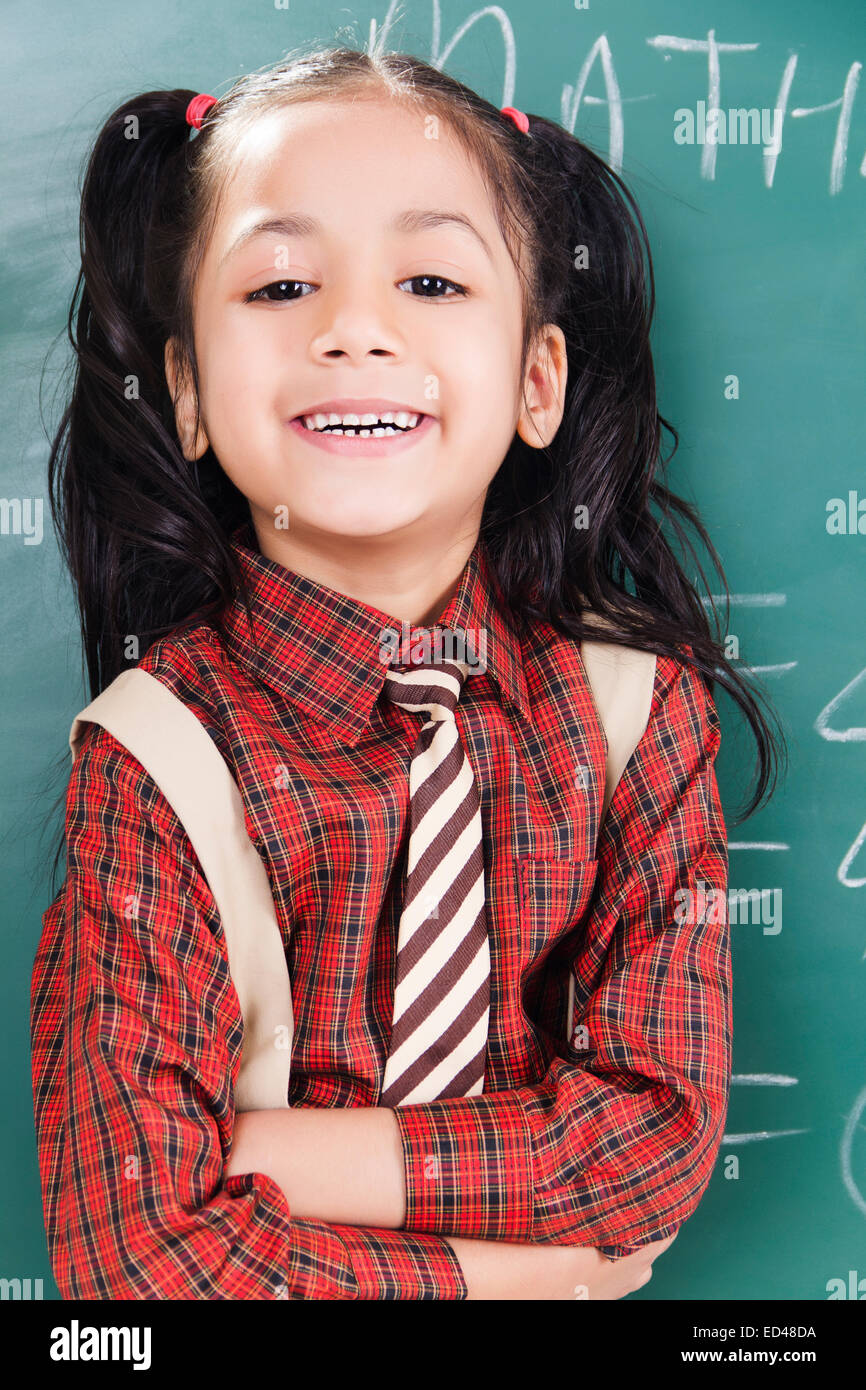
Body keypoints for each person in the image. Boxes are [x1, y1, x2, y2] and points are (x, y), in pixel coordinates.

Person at [29, 43, 785, 1300]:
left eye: (430, 278)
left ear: (536, 381)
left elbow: (654, 1141)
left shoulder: (633, 711)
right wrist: (535, 1282)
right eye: (279, 289)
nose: (355, 331)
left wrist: (265, 1157)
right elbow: (134, 1262)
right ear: (190, 394)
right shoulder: (153, 756)